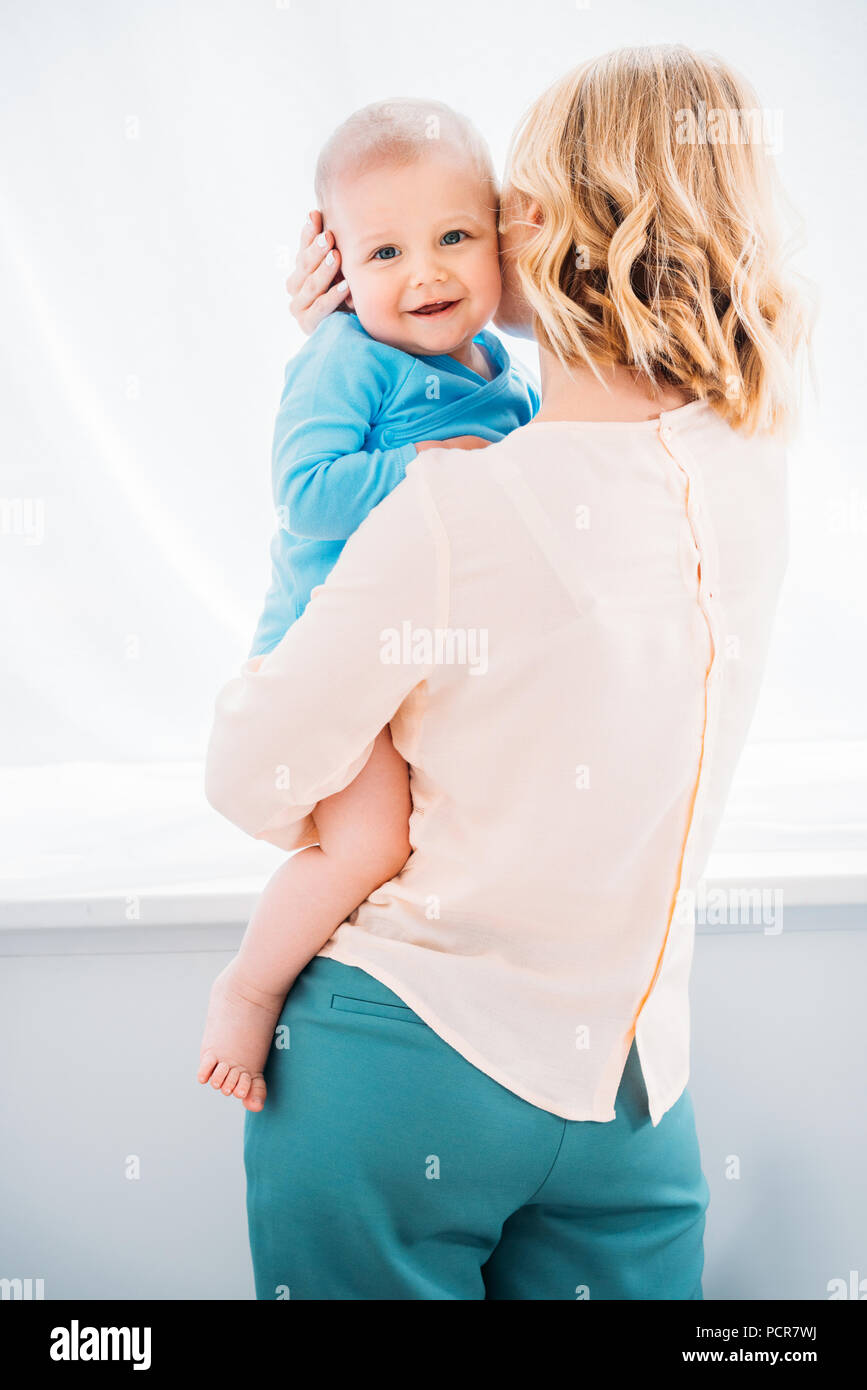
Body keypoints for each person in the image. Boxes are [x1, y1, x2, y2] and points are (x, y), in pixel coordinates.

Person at [203, 44, 811, 1299]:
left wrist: (357, 337)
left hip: (395, 1060)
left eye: (484, 215)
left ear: (535, 224)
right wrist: (362, 346)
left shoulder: (459, 502)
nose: (447, 257)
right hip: (632, 1086)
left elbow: (249, 772)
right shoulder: (754, 462)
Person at [197, 98, 539, 1110]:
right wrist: (423, 467)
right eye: (384, 251)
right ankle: (249, 987)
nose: (426, 273)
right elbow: (305, 494)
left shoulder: (503, 371)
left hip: (431, 661)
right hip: (328, 660)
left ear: (502, 241)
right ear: (337, 265)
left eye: (453, 238)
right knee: (370, 843)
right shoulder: (345, 357)